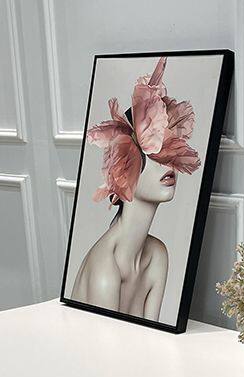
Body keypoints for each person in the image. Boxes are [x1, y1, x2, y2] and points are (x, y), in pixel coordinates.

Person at [71, 57, 201, 321]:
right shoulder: (105, 271)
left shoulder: (157, 256)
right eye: (155, 151)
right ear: (124, 165)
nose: (168, 163)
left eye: (172, 150)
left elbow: (153, 338)